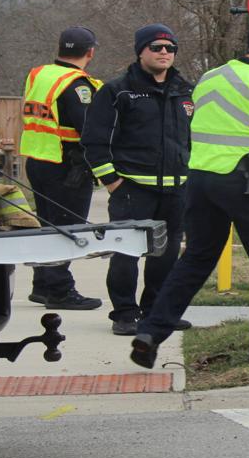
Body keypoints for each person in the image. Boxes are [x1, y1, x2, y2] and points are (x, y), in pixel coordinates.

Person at [131, 18, 249, 368]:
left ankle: (151, 332)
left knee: (197, 259)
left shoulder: (211, 77)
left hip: (200, 180)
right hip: (243, 182)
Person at [82, 24, 194, 337]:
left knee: (167, 253)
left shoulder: (185, 91)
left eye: (170, 48)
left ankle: (156, 311)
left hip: (176, 189)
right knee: (126, 254)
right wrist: (112, 182)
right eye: (156, 47)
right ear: (141, 51)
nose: (164, 53)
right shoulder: (117, 91)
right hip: (132, 189)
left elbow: (193, 140)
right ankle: (125, 313)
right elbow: (93, 141)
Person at [21, 26, 105, 310]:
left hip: (38, 158)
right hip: (67, 165)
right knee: (67, 228)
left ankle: (43, 285)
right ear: (90, 52)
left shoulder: (39, 75)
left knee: (48, 224)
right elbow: (89, 128)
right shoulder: (77, 85)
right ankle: (60, 290)